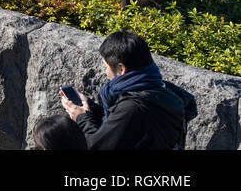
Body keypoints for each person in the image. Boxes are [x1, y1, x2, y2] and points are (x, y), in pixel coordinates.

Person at [60, 31, 197, 150]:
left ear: (121, 69)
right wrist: (91, 108)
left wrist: (81, 118)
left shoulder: (133, 107)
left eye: (106, 67)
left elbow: (96, 145)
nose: (106, 72)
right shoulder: (159, 88)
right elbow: (119, 125)